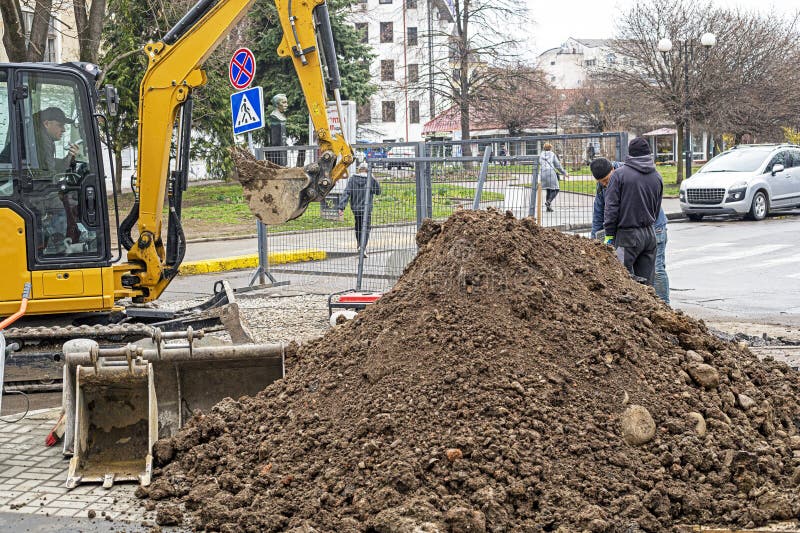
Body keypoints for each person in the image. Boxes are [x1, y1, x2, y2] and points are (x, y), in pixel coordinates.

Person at [590, 157, 670, 304]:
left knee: (656, 270)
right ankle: (643, 307)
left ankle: (665, 307)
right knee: (627, 272)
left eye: (606, 180)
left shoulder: (629, 176)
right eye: (601, 182)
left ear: (613, 169)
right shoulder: (604, 186)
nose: (605, 184)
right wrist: (595, 242)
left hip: (653, 228)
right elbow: (599, 213)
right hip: (630, 234)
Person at [602, 137, 663, 286]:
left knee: (622, 282)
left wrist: (609, 234)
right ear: (648, 154)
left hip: (627, 236)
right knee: (646, 287)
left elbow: (611, 208)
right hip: (650, 235)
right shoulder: (657, 176)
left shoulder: (619, 175)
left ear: (630, 154)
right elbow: (656, 209)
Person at [338, 162, 381, 256]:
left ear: (359, 169)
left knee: (358, 227)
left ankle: (359, 245)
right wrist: (374, 178)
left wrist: (341, 207)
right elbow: (378, 191)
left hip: (356, 208)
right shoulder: (370, 179)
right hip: (367, 209)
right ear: (367, 170)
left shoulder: (352, 179)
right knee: (366, 228)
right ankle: (362, 248)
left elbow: (347, 192)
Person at [35, 107, 80, 172]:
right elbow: (50, 174)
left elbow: (52, 164)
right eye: (60, 125)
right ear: (46, 124)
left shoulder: (42, 138)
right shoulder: (43, 142)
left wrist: (69, 157)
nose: (64, 130)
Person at [539, 143, 569, 212]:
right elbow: (557, 166)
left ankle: (548, 208)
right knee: (556, 189)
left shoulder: (541, 154)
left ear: (544, 148)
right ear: (550, 148)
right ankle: (549, 202)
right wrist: (565, 173)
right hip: (550, 172)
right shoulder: (552, 154)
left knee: (548, 190)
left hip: (543, 173)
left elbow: (539, 162)